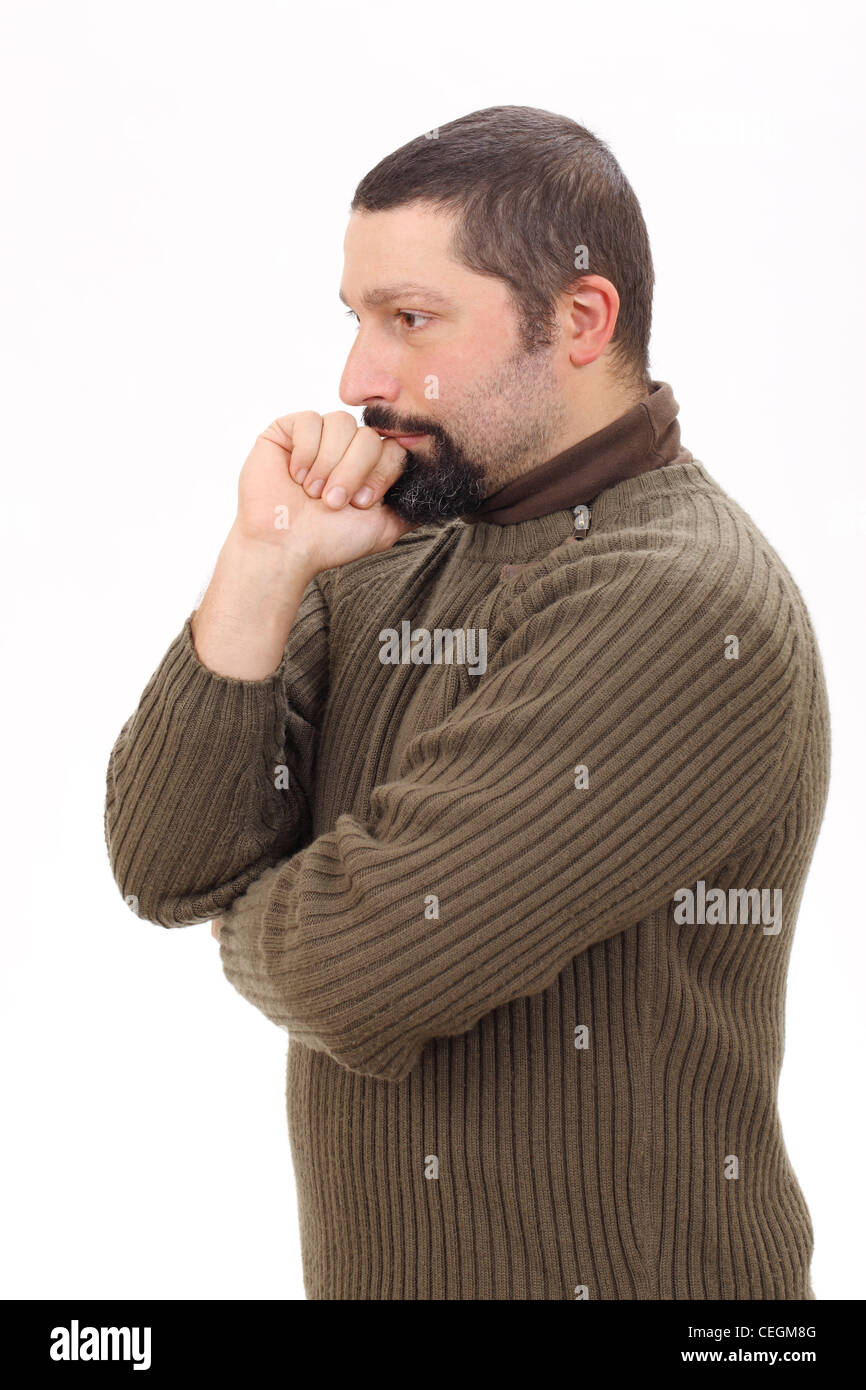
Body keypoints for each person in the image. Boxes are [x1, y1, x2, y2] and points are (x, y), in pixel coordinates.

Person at [104, 105, 830, 1300]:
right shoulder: (394, 547)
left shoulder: (681, 602)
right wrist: (262, 558)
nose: (356, 378)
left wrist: (255, 911)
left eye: (410, 319)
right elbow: (163, 862)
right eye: (356, 319)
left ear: (581, 322)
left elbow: (353, 970)